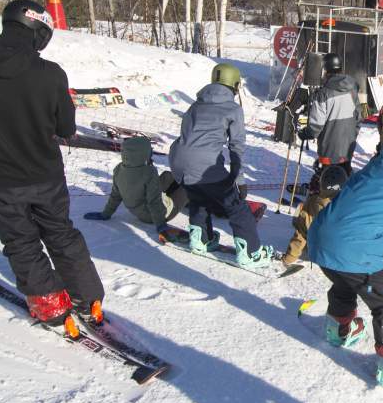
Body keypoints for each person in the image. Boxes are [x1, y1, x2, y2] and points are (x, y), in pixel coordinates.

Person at [0, 0, 105, 332]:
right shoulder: (50, 74)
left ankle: (49, 305)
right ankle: (88, 298)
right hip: (44, 174)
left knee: (20, 241)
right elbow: (66, 129)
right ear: (36, 31)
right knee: (61, 234)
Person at [307, 121, 383, 390]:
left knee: (345, 278)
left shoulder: (380, 160)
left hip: (320, 238)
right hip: (352, 248)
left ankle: (338, 329)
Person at [170, 64, 273, 270]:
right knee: (237, 207)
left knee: (199, 196)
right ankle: (251, 253)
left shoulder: (196, 105)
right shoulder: (233, 109)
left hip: (178, 160)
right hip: (204, 163)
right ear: (234, 85)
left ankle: (201, 239)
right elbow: (236, 147)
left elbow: (187, 135)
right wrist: (239, 180)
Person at [85, 136, 182, 241]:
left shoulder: (119, 169)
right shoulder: (149, 172)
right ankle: (193, 206)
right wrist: (161, 225)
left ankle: (177, 195)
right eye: (149, 150)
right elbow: (154, 201)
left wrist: (106, 214)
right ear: (142, 153)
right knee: (188, 187)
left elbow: (115, 196)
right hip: (157, 215)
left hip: (139, 213)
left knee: (167, 175)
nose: (151, 153)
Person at [298, 53, 361, 174]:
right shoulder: (352, 88)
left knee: (329, 178)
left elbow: (316, 125)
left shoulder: (323, 94)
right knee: (345, 174)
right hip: (348, 145)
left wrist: (307, 133)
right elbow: (359, 116)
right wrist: (352, 134)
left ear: (325, 69)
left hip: (329, 146)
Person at [282, 165, 348, 267]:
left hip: (323, 255)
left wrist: (289, 258)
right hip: (346, 255)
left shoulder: (312, 203)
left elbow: (300, 234)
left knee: (301, 216)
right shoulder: (353, 203)